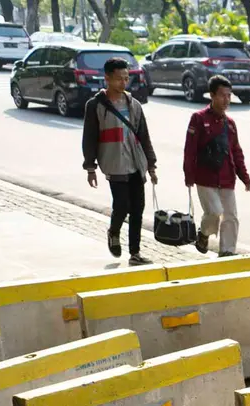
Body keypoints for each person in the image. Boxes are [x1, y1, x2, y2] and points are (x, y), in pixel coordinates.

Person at [82, 56, 157, 265]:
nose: (123, 83)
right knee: (122, 205)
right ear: (107, 78)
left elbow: (144, 136)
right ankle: (114, 232)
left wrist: (151, 165)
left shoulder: (134, 104)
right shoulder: (95, 105)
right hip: (114, 162)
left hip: (136, 162)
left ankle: (135, 252)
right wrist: (90, 167)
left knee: (138, 209)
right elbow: (89, 138)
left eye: (126, 78)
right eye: (118, 79)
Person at [184, 75, 250, 257]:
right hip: (205, 178)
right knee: (214, 212)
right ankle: (204, 234)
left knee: (231, 217)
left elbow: (236, 152)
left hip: (227, 177)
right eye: (222, 95)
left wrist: (244, 176)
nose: (226, 100)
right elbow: (190, 150)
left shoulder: (230, 124)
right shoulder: (198, 119)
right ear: (212, 95)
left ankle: (227, 252)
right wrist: (188, 175)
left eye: (229, 96)